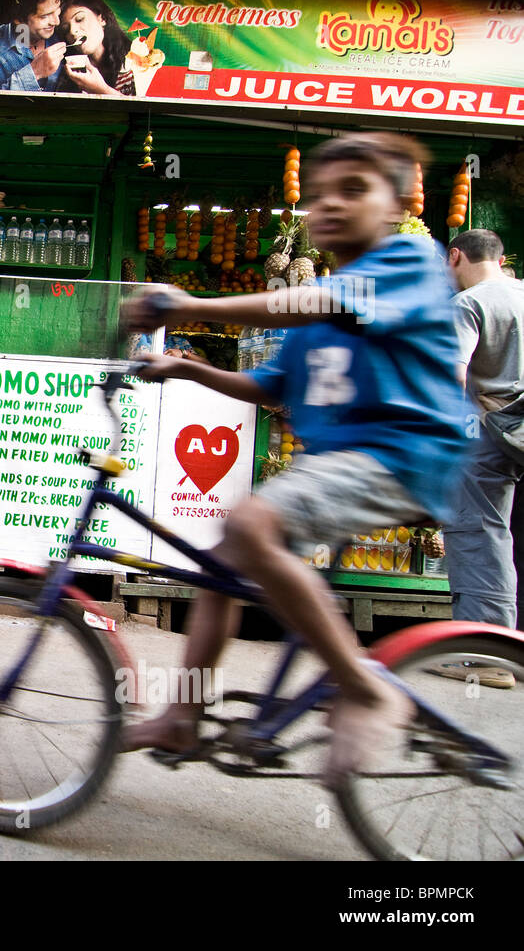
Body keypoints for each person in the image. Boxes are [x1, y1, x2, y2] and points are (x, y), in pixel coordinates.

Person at [121, 132, 468, 788]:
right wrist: (185, 369)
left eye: (355, 190)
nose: (331, 205)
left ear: (395, 205)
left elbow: (314, 301)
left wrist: (192, 305)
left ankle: (364, 688)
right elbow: (266, 386)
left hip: (403, 455)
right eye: (320, 195)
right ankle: (183, 715)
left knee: (253, 523)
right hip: (341, 463)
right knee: (225, 557)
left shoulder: (408, 259)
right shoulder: (323, 304)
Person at [444, 228, 524, 628]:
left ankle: (484, 652)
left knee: (480, 531)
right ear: (501, 259)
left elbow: (453, 378)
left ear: (455, 257)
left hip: (493, 431)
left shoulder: (468, 303)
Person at [54, 0, 136, 95]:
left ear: (102, 19)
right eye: (66, 29)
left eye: (80, 19)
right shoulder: (69, 72)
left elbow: (146, 108)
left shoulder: (139, 61)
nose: (72, 31)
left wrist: (101, 90)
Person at [0, 0, 64, 92]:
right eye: (45, 16)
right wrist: (34, 72)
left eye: (57, 10)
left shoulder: (62, 33)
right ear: (18, 19)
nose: (57, 22)